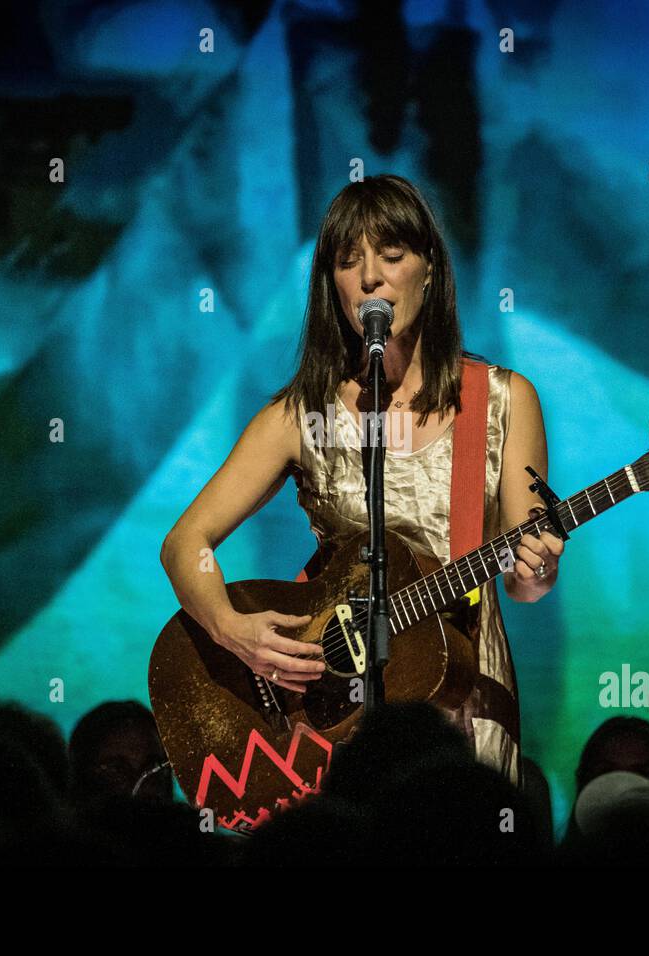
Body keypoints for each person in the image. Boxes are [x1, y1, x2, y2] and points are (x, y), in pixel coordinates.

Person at [159, 173, 563, 786]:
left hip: (467, 701)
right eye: (350, 262)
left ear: (429, 270)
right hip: (331, 717)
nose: (371, 276)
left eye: (393, 256)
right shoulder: (300, 415)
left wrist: (538, 566)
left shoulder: (504, 401)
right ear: (335, 288)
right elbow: (185, 542)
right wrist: (233, 630)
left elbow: (523, 587)